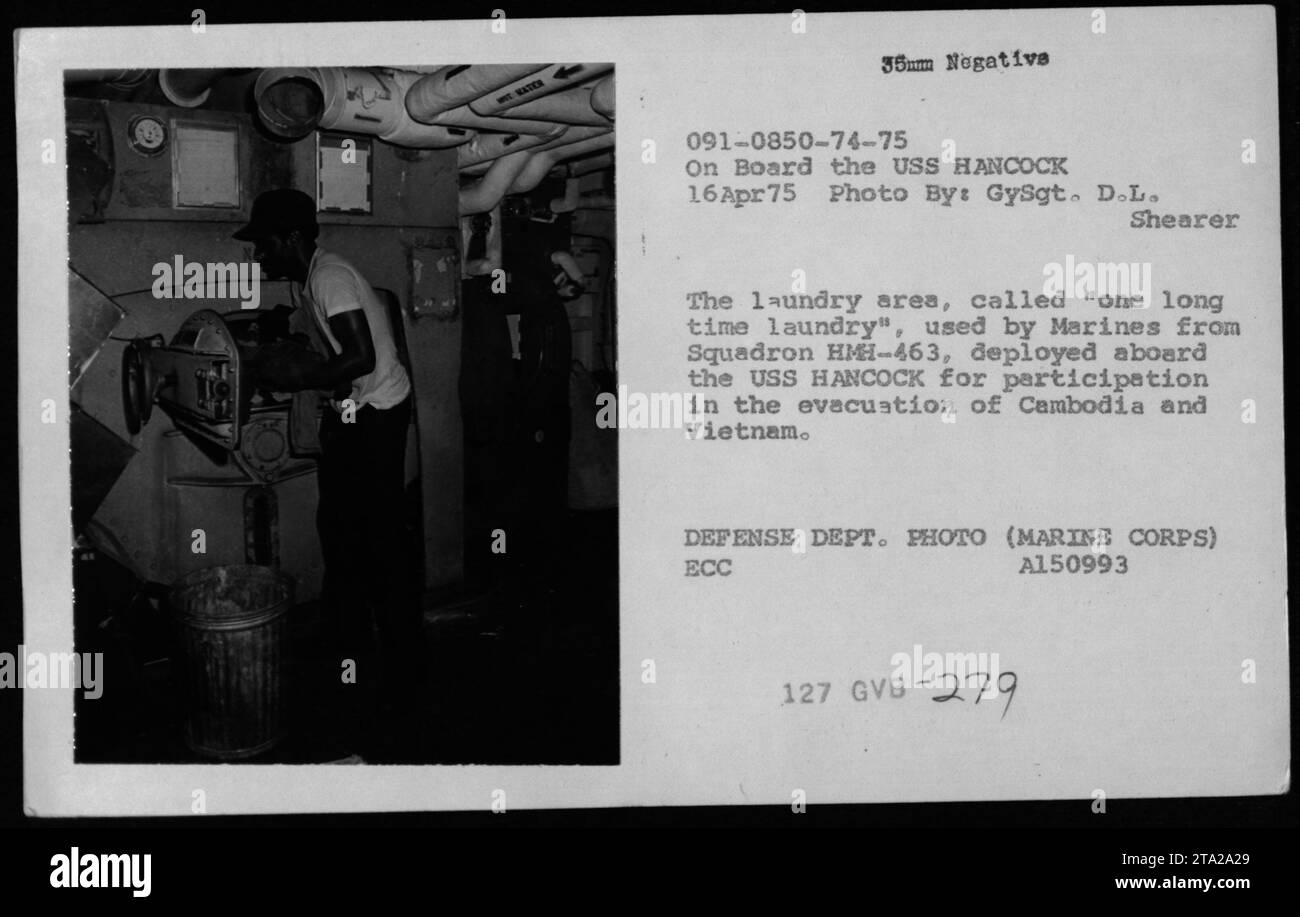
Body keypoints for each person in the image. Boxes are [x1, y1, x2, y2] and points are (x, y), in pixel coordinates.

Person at [232, 189, 423, 751]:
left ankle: (392, 669)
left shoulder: (328, 276)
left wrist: (298, 378)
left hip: (378, 414)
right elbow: (342, 347)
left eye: (264, 245)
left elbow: (360, 358)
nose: (260, 256)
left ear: (291, 238)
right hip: (363, 410)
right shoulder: (311, 278)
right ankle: (356, 650)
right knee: (346, 530)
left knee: (367, 537)